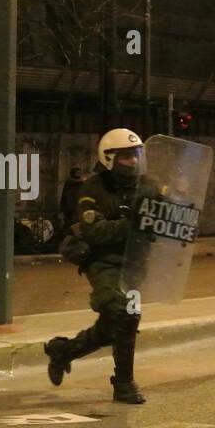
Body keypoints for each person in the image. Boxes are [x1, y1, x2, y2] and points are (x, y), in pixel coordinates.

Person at [42, 128, 149, 405]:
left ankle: (64, 350)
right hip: (103, 262)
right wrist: (133, 225)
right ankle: (124, 383)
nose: (133, 161)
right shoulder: (92, 188)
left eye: (136, 155)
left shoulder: (146, 187)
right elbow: (95, 232)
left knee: (115, 322)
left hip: (135, 263)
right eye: (126, 156)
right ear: (109, 158)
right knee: (124, 314)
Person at [60, 167, 87, 233]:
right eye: (77, 172)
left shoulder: (81, 183)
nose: (79, 174)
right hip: (70, 206)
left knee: (75, 224)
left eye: (79, 172)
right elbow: (64, 195)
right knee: (69, 223)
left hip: (76, 206)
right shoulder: (69, 182)